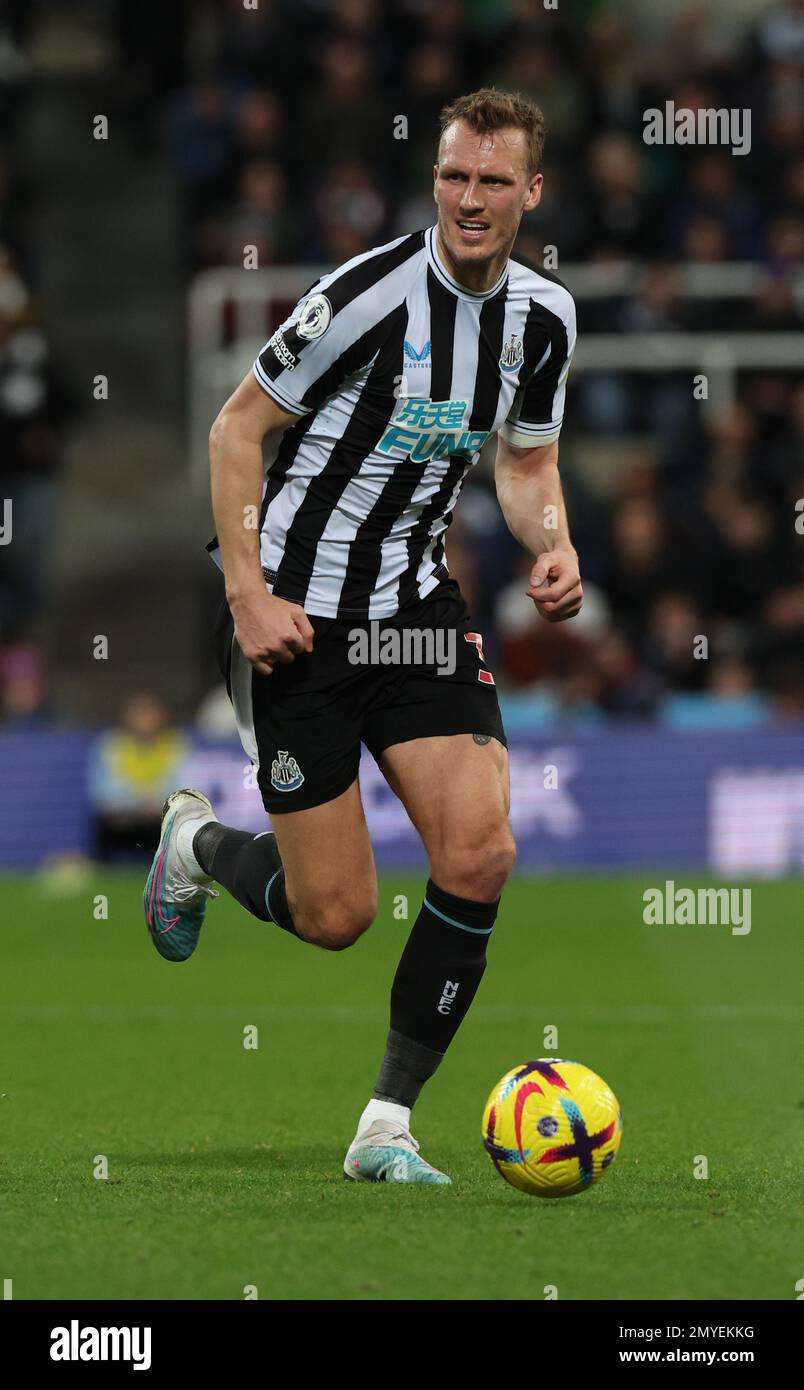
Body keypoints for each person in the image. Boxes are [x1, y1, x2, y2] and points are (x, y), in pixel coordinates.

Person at [144, 88, 582, 1183]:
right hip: (295, 619)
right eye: (452, 176)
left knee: (480, 852)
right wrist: (245, 589)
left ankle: (386, 1124)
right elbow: (237, 428)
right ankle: (195, 846)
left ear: (533, 190)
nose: (469, 199)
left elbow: (525, 461)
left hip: (414, 617)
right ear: (432, 177)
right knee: (336, 913)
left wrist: (554, 541)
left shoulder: (543, 319)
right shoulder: (362, 297)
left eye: (492, 180)